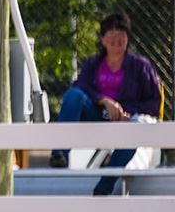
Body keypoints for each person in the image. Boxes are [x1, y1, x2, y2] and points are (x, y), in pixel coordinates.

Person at [48, 12, 162, 196]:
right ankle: (60, 153)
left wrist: (129, 114)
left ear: (128, 38)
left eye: (121, 34)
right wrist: (104, 100)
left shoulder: (142, 66)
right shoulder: (92, 63)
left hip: (126, 122)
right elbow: (80, 87)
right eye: (111, 34)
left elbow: (154, 102)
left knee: (134, 132)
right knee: (73, 95)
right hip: (96, 115)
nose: (116, 39)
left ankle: (105, 187)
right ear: (102, 39)